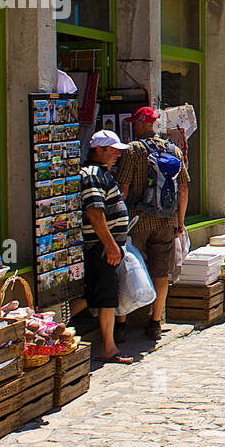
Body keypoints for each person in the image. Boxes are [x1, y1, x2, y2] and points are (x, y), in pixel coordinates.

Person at [113, 106, 189, 343]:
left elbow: (123, 190)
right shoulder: (173, 150)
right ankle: (155, 322)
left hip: (137, 220)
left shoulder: (133, 151)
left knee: (128, 268)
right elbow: (184, 188)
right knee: (160, 271)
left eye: (136, 122)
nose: (134, 125)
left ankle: (121, 324)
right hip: (166, 219)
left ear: (143, 124)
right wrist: (180, 222)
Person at [81, 130, 133, 364]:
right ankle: (108, 348)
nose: (117, 156)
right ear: (98, 151)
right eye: (112, 151)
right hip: (100, 247)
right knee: (104, 297)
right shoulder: (92, 175)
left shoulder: (102, 174)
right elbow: (94, 211)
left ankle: (55, 324)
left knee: (97, 295)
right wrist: (110, 245)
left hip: (105, 247)